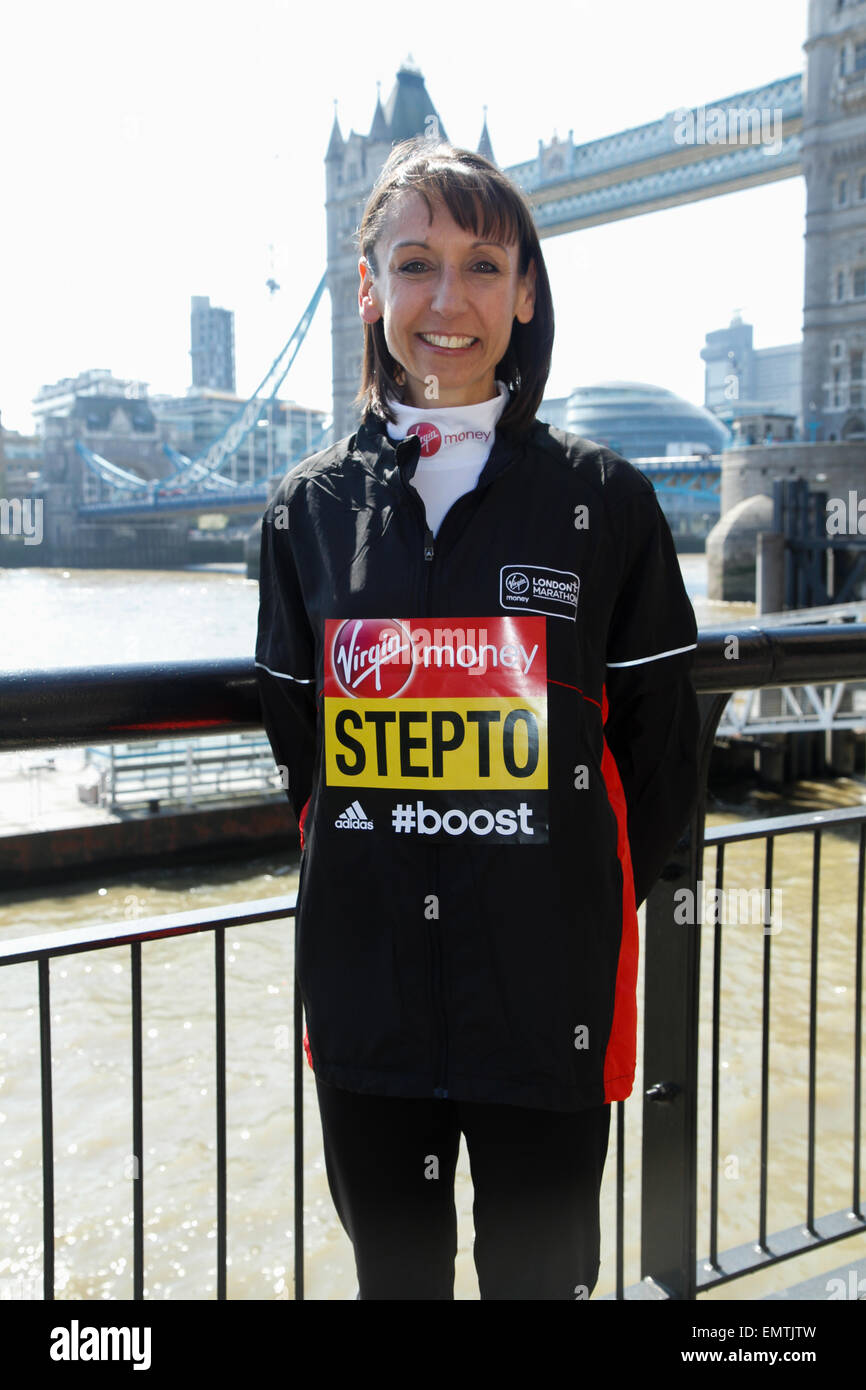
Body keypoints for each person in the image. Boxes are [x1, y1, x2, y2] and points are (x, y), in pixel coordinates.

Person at [255, 138, 700, 1300]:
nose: (446, 301)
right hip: (369, 1004)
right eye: (413, 264)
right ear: (368, 289)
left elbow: (661, 752)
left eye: (482, 265)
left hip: (545, 1001)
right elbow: (304, 755)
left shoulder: (605, 502)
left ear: (526, 291)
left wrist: (564, 899)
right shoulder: (302, 512)